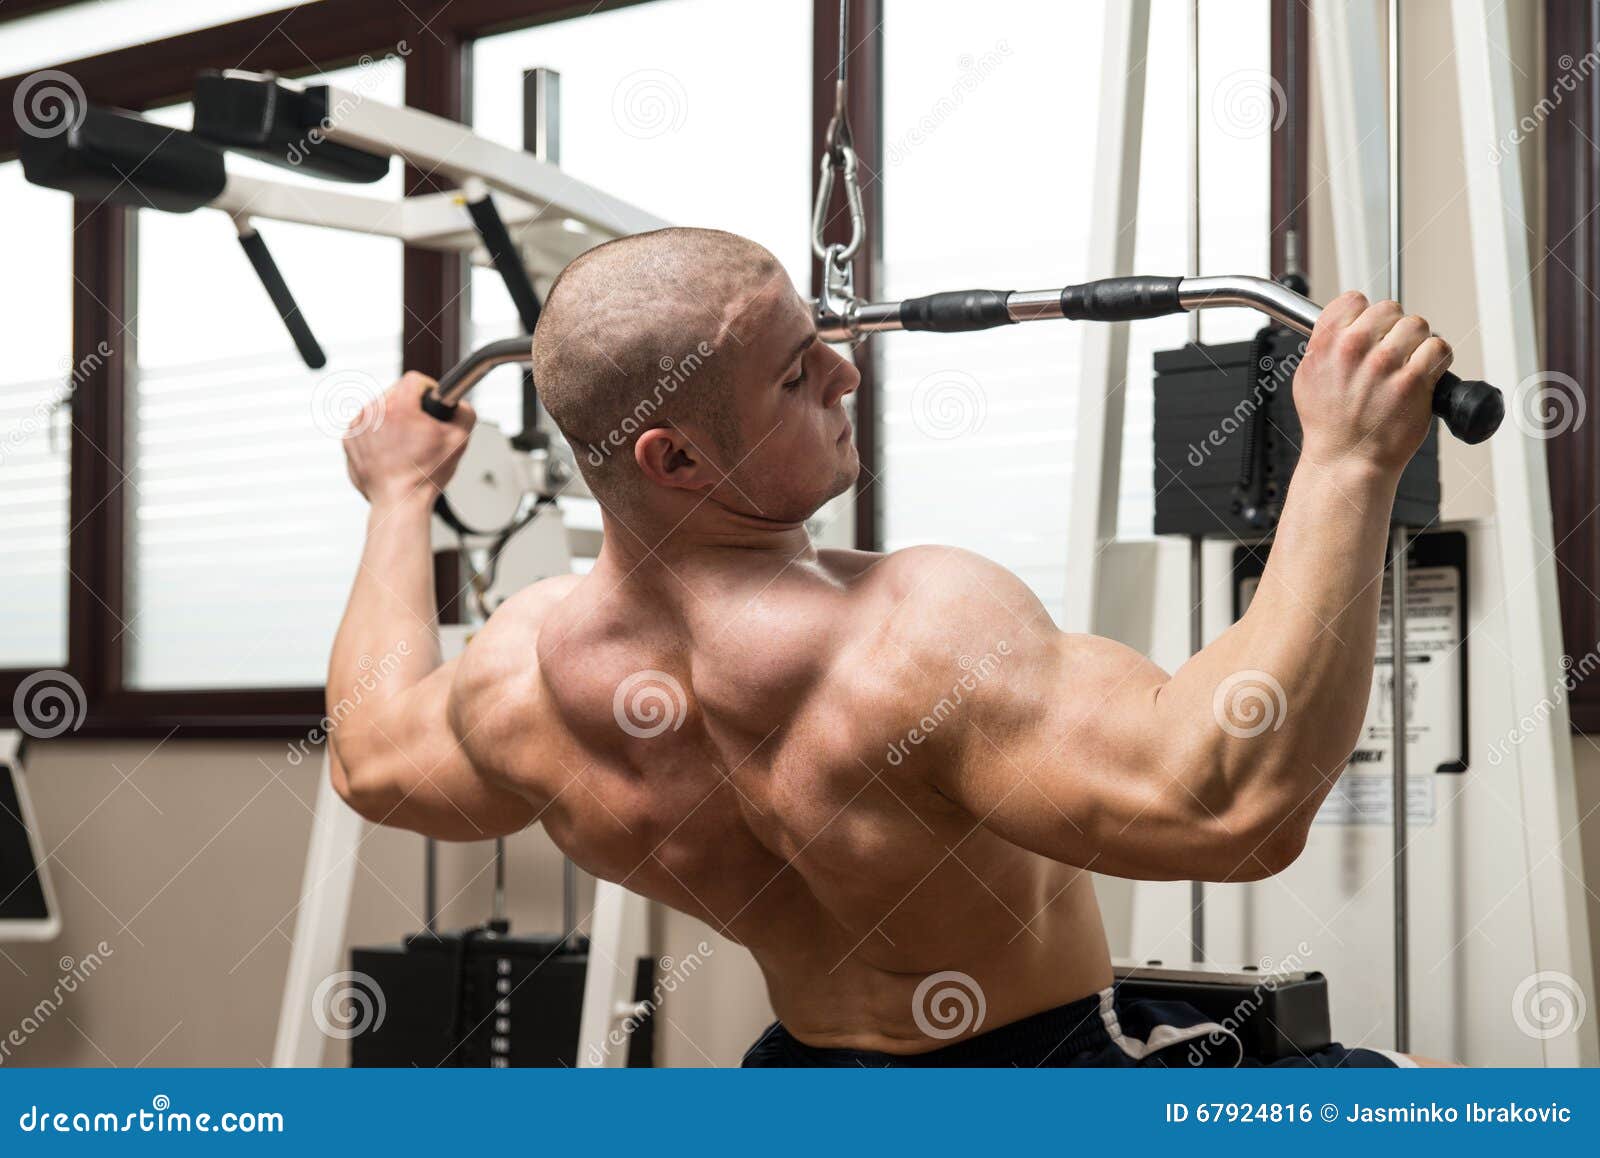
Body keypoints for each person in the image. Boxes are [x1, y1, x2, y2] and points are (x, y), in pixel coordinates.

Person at [327, 227, 1452, 1067]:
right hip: (1043, 1076)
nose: (846, 373)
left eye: (818, 341)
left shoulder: (523, 672)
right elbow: (1230, 805)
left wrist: (396, 499)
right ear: (673, 460)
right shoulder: (913, 631)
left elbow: (371, 757)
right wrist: (1348, 461)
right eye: (792, 374)